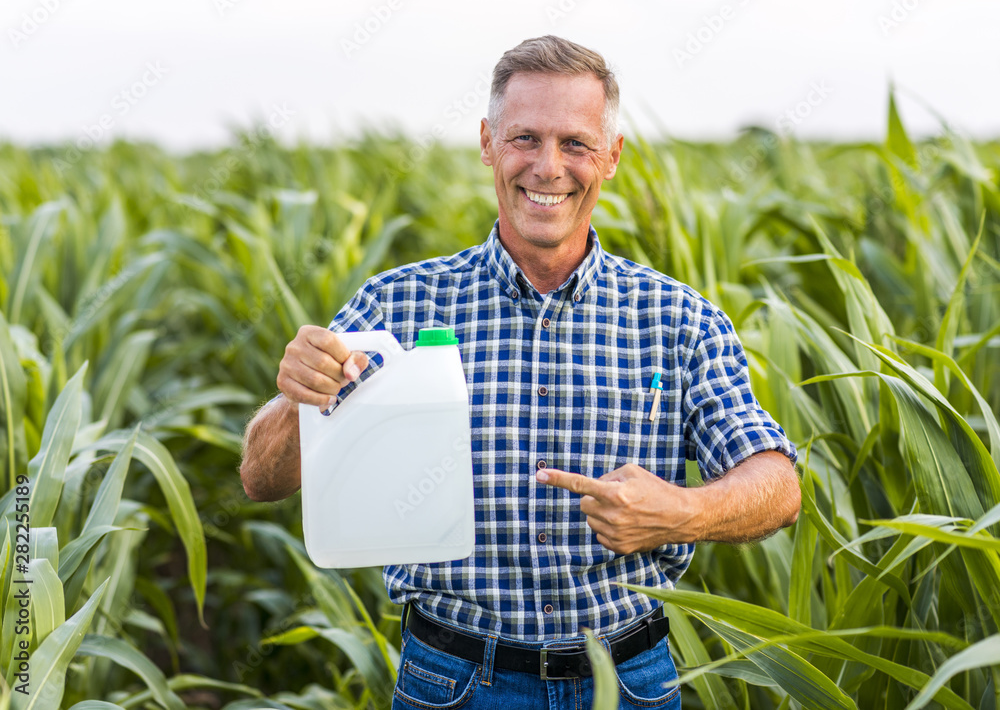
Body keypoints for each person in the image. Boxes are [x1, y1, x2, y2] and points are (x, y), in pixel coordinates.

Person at [240, 35, 800, 709]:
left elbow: (777, 483)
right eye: (525, 138)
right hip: (453, 682)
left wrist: (683, 510)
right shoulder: (397, 304)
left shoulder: (677, 318)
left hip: (628, 681)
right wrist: (294, 396)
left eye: (575, 144)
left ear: (612, 156)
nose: (548, 167)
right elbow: (261, 478)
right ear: (487, 143)